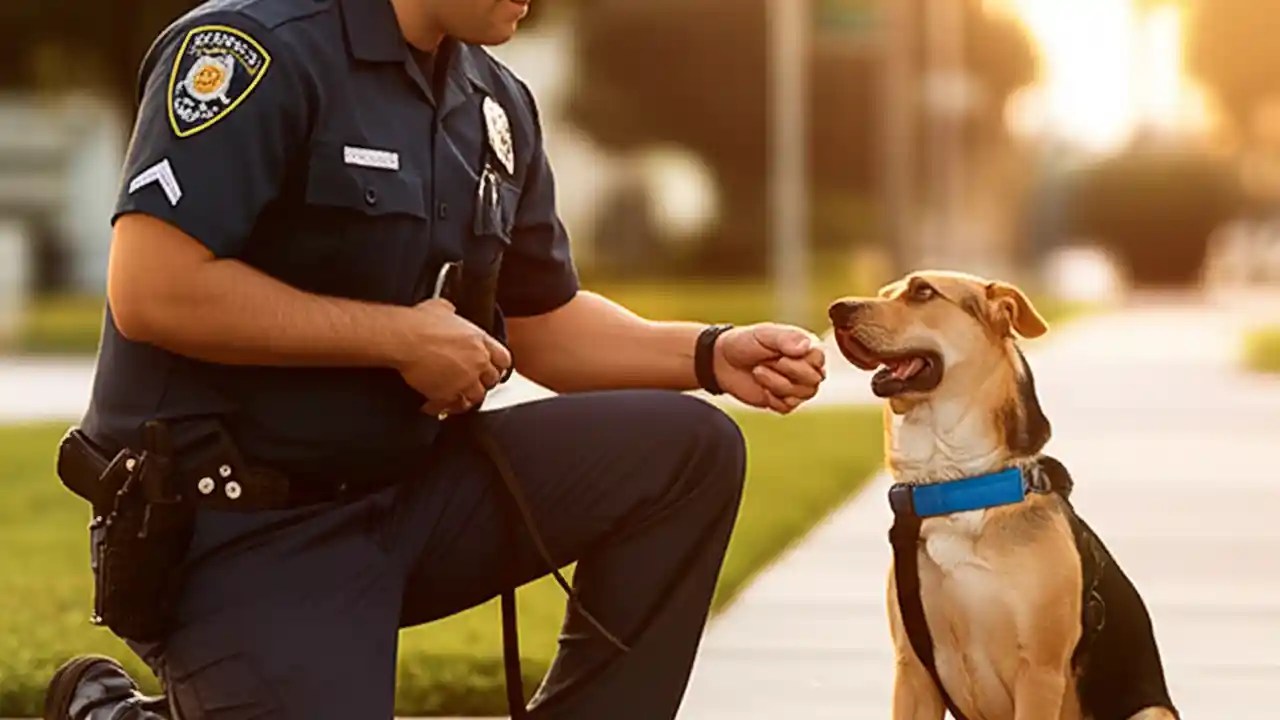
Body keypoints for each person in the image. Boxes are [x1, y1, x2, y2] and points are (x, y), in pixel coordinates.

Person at [44, 0, 827, 718]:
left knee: (687, 452)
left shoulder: (495, 101)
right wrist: (398, 338)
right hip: (243, 526)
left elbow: (543, 322)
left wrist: (709, 353)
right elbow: (153, 289)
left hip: (410, 495)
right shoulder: (257, 50)